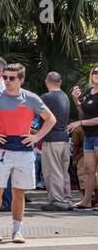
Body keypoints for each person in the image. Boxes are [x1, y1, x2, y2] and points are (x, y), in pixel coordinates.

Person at [0, 63, 54, 243]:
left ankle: (17, 230)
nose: (7, 81)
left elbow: (51, 119)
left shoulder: (31, 98)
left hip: (24, 149)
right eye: (5, 77)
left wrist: (37, 137)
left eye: (12, 78)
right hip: (2, 148)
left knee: (18, 192)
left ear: (21, 80)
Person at [39, 71, 75, 210]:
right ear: (60, 82)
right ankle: (66, 198)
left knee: (52, 171)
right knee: (63, 171)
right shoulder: (65, 96)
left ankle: (57, 201)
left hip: (52, 139)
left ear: (46, 82)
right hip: (64, 140)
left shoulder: (46, 97)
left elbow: (37, 115)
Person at [70, 66, 98, 208]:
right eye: (95, 72)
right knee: (89, 170)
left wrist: (80, 123)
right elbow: (83, 114)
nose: (97, 74)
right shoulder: (89, 92)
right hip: (88, 135)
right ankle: (87, 201)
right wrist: (76, 101)